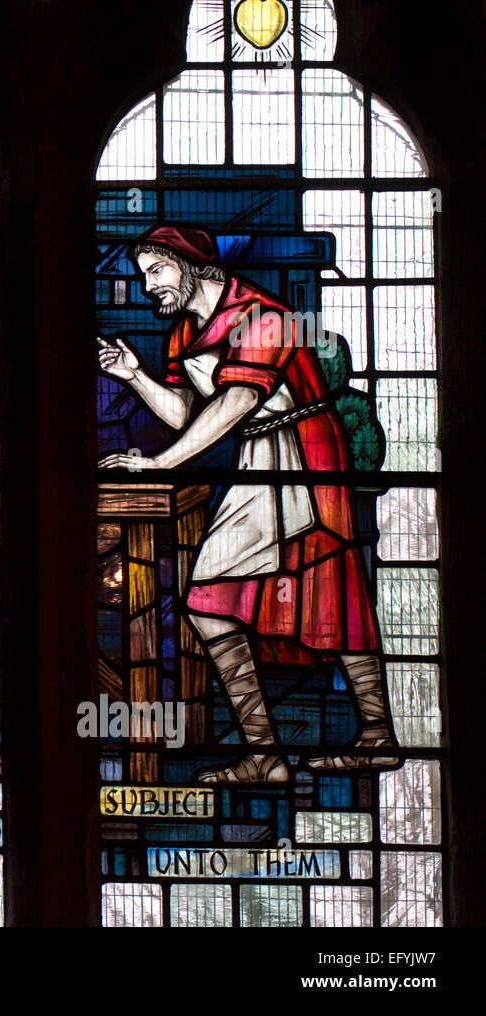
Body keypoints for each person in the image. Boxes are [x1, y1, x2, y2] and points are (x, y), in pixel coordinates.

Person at [98, 225, 399, 784]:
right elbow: (186, 415)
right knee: (218, 598)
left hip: (303, 456)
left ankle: (366, 738)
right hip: (261, 455)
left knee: (327, 591)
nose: (147, 287)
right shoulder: (184, 333)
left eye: (156, 271)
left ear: (194, 267)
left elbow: (238, 400)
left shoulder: (265, 319)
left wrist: (162, 465)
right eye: (144, 274)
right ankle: (272, 751)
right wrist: (133, 374)